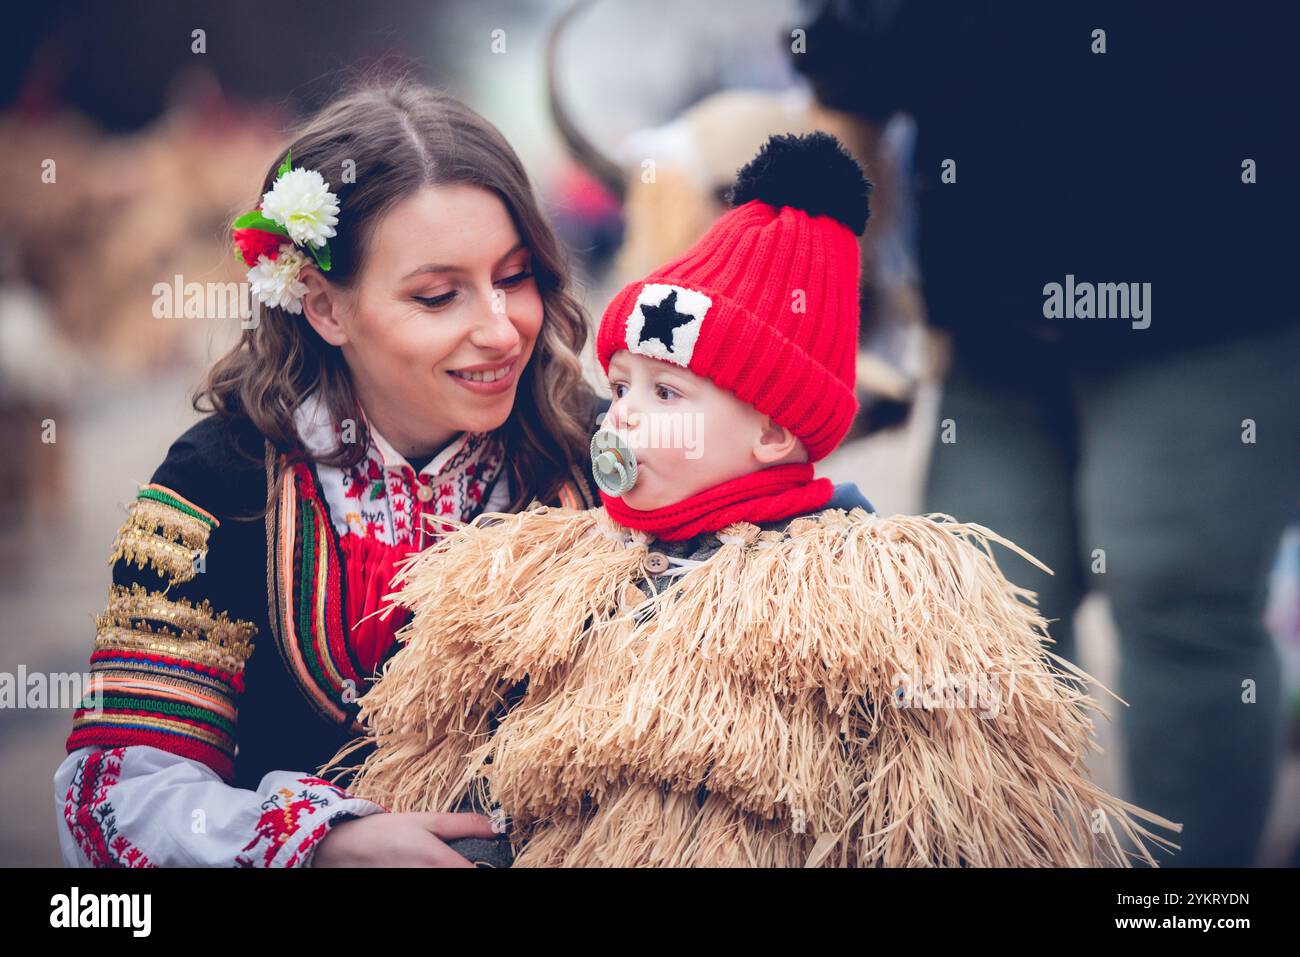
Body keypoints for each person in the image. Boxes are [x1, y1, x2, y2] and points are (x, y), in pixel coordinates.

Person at [331, 133, 1182, 866]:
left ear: (774, 432)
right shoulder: (558, 562)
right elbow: (441, 748)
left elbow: (956, 811)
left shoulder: (870, 594)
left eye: (667, 395)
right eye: (621, 383)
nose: (619, 413)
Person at [790, 0, 1300, 866]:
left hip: (1217, 301)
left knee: (1179, 607)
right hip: (993, 329)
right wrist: (823, 285)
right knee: (982, 619)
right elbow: (851, 77)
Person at [53, 77, 606, 868]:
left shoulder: (593, 457)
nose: (501, 328)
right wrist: (323, 842)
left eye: (515, 277)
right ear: (323, 305)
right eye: (439, 294)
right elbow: (116, 799)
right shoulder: (217, 491)